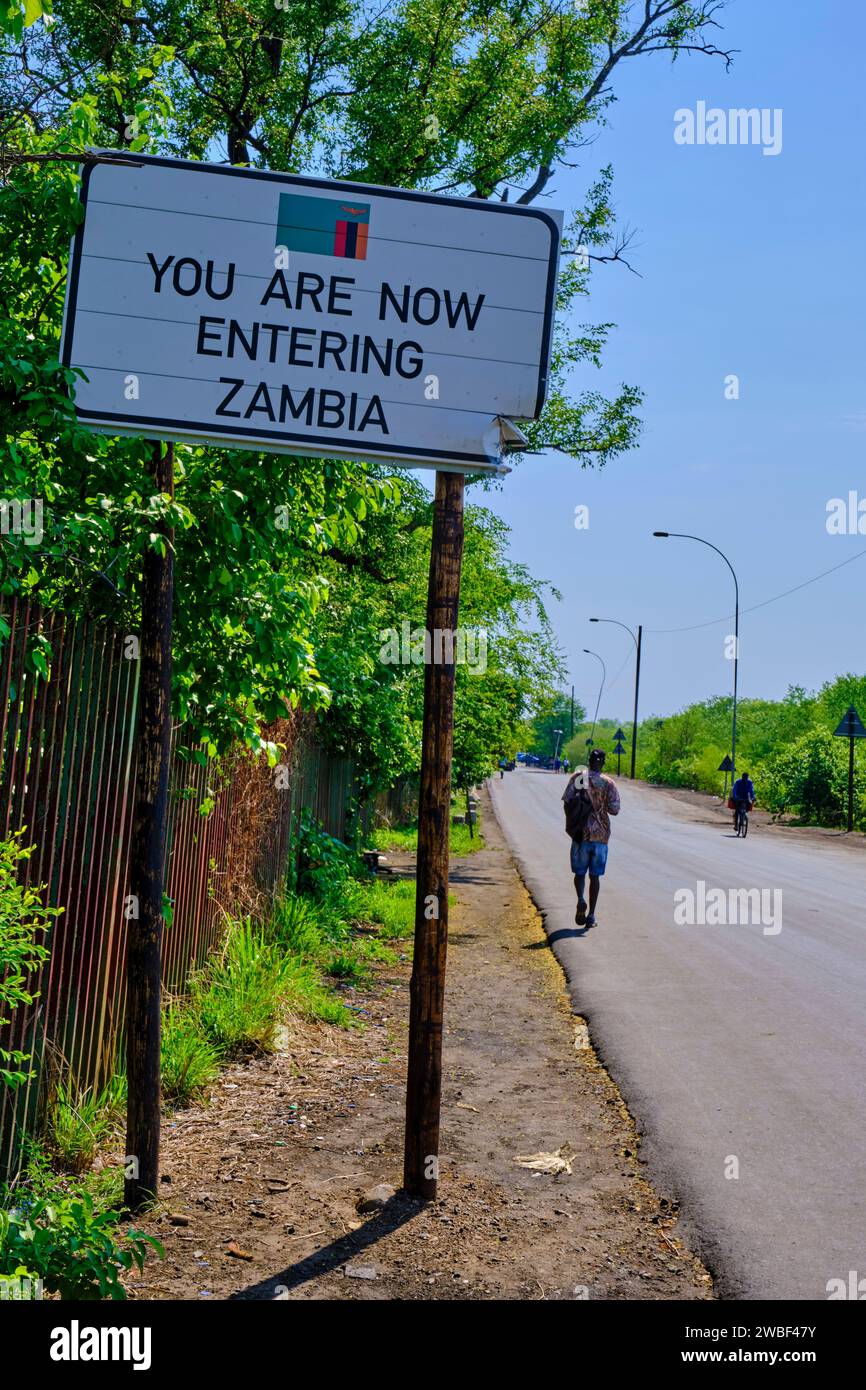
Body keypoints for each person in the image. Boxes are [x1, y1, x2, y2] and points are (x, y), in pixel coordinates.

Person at [562, 748, 620, 929]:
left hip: (580, 834)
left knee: (579, 873)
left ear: (589, 760)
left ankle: (580, 898)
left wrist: (573, 821)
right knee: (595, 877)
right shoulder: (608, 783)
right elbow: (615, 809)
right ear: (603, 763)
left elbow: (567, 801)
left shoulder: (579, 777)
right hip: (601, 836)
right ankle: (592, 916)